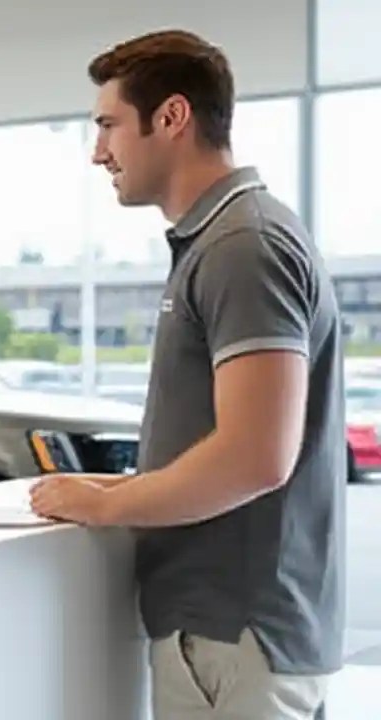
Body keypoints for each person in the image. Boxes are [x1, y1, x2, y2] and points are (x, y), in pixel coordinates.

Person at [29, 30, 345, 719]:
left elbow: (256, 457)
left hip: (235, 639)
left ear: (170, 118)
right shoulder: (228, 240)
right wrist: (114, 486)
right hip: (238, 638)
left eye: (108, 125)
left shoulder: (241, 246)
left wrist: (107, 507)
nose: (98, 151)